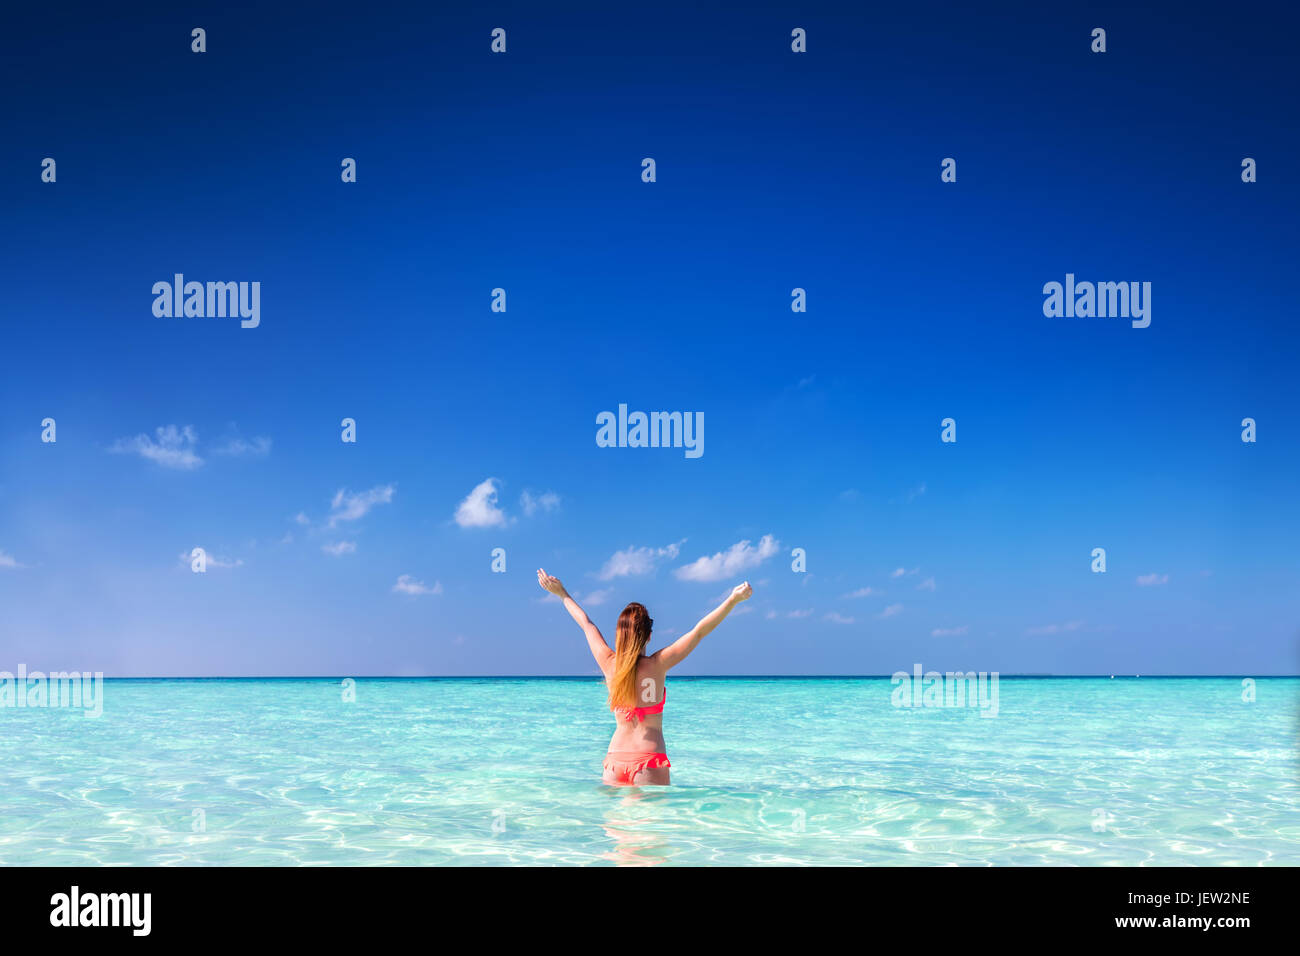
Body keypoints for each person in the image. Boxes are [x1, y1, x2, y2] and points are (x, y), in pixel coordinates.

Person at [536, 568, 753, 785]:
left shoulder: (608, 662)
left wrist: (563, 594)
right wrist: (733, 600)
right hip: (649, 760)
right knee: (651, 821)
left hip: (614, 761)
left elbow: (586, 624)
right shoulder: (658, 664)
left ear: (619, 635)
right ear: (649, 636)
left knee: (612, 820)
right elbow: (698, 632)